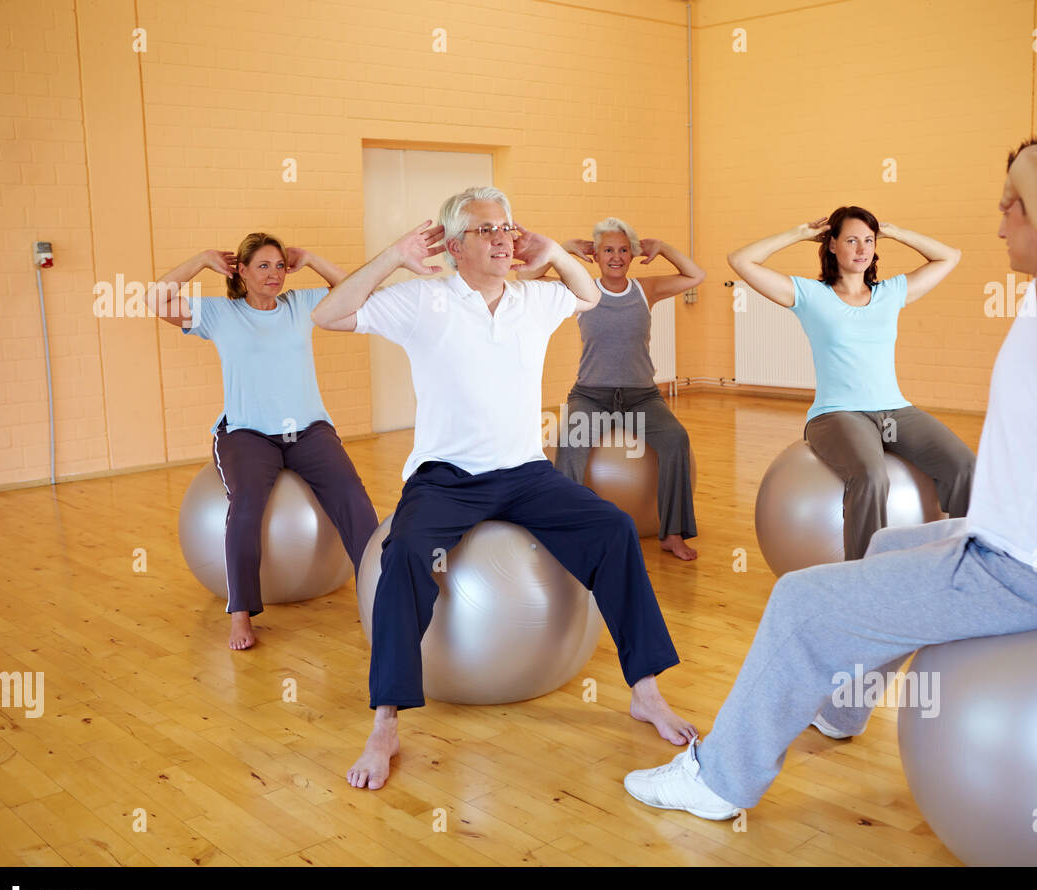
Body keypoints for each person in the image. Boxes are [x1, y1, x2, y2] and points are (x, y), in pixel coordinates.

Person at [623, 133, 1037, 820]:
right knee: (888, 546)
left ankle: (718, 779)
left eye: (1011, 205)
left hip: (1032, 564)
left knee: (799, 604)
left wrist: (1035, 167)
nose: (1000, 223)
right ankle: (842, 711)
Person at [311, 187, 698, 791]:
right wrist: (393, 256)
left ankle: (646, 692)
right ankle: (385, 722)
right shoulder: (424, 300)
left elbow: (590, 293)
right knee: (406, 553)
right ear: (456, 245)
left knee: (616, 529)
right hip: (446, 476)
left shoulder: (537, 299)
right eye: (487, 229)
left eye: (509, 227)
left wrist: (555, 253)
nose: (503, 238)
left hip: (524, 474)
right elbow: (327, 314)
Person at [151, 235, 379, 650]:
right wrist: (201, 260)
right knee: (246, 505)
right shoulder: (219, 313)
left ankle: (381, 594)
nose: (274, 275)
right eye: (263, 266)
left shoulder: (302, 305)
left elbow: (360, 291)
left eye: (279, 266)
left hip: (309, 429)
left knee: (352, 496)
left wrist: (311, 258)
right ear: (240, 270)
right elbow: (154, 300)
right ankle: (241, 613)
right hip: (247, 432)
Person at [728, 206, 976, 569]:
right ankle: (864, 577)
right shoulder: (810, 295)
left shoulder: (891, 293)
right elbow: (741, 260)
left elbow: (950, 256)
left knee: (965, 465)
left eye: (869, 241)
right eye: (851, 240)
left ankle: (964, 562)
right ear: (831, 245)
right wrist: (799, 232)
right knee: (871, 476)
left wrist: (893, 230)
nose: (862, 249)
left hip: (895, 411)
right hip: (837, 414)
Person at [551, 219, 705, 560]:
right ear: (596, 255)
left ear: (633, 255)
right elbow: (525, 279)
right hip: (591, 395)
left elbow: (696, 276)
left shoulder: (644, 290)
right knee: (569, 444)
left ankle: (673, 533)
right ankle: (566, 532)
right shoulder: (582, 289)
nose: (616, 257)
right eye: (608, 250)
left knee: (676, 440)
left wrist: (662, 247)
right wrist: (561, 249)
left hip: (642, 396)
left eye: (624, 250)